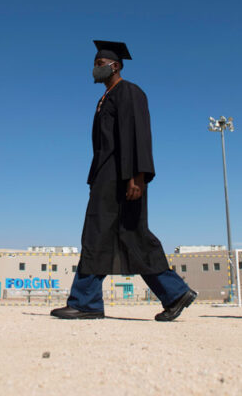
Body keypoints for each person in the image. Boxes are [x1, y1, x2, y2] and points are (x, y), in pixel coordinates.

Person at [51, 40, 197, 321]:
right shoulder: (105, 97)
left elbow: (139, 135)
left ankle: (85, 302)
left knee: (100, 234)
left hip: (123, 177)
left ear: (114, 66)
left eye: (99, 64)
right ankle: (175, 293)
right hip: (105, 176)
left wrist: (138, 177)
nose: (94, 69)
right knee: (129, 237)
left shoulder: (129, 92)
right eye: (94, 64)